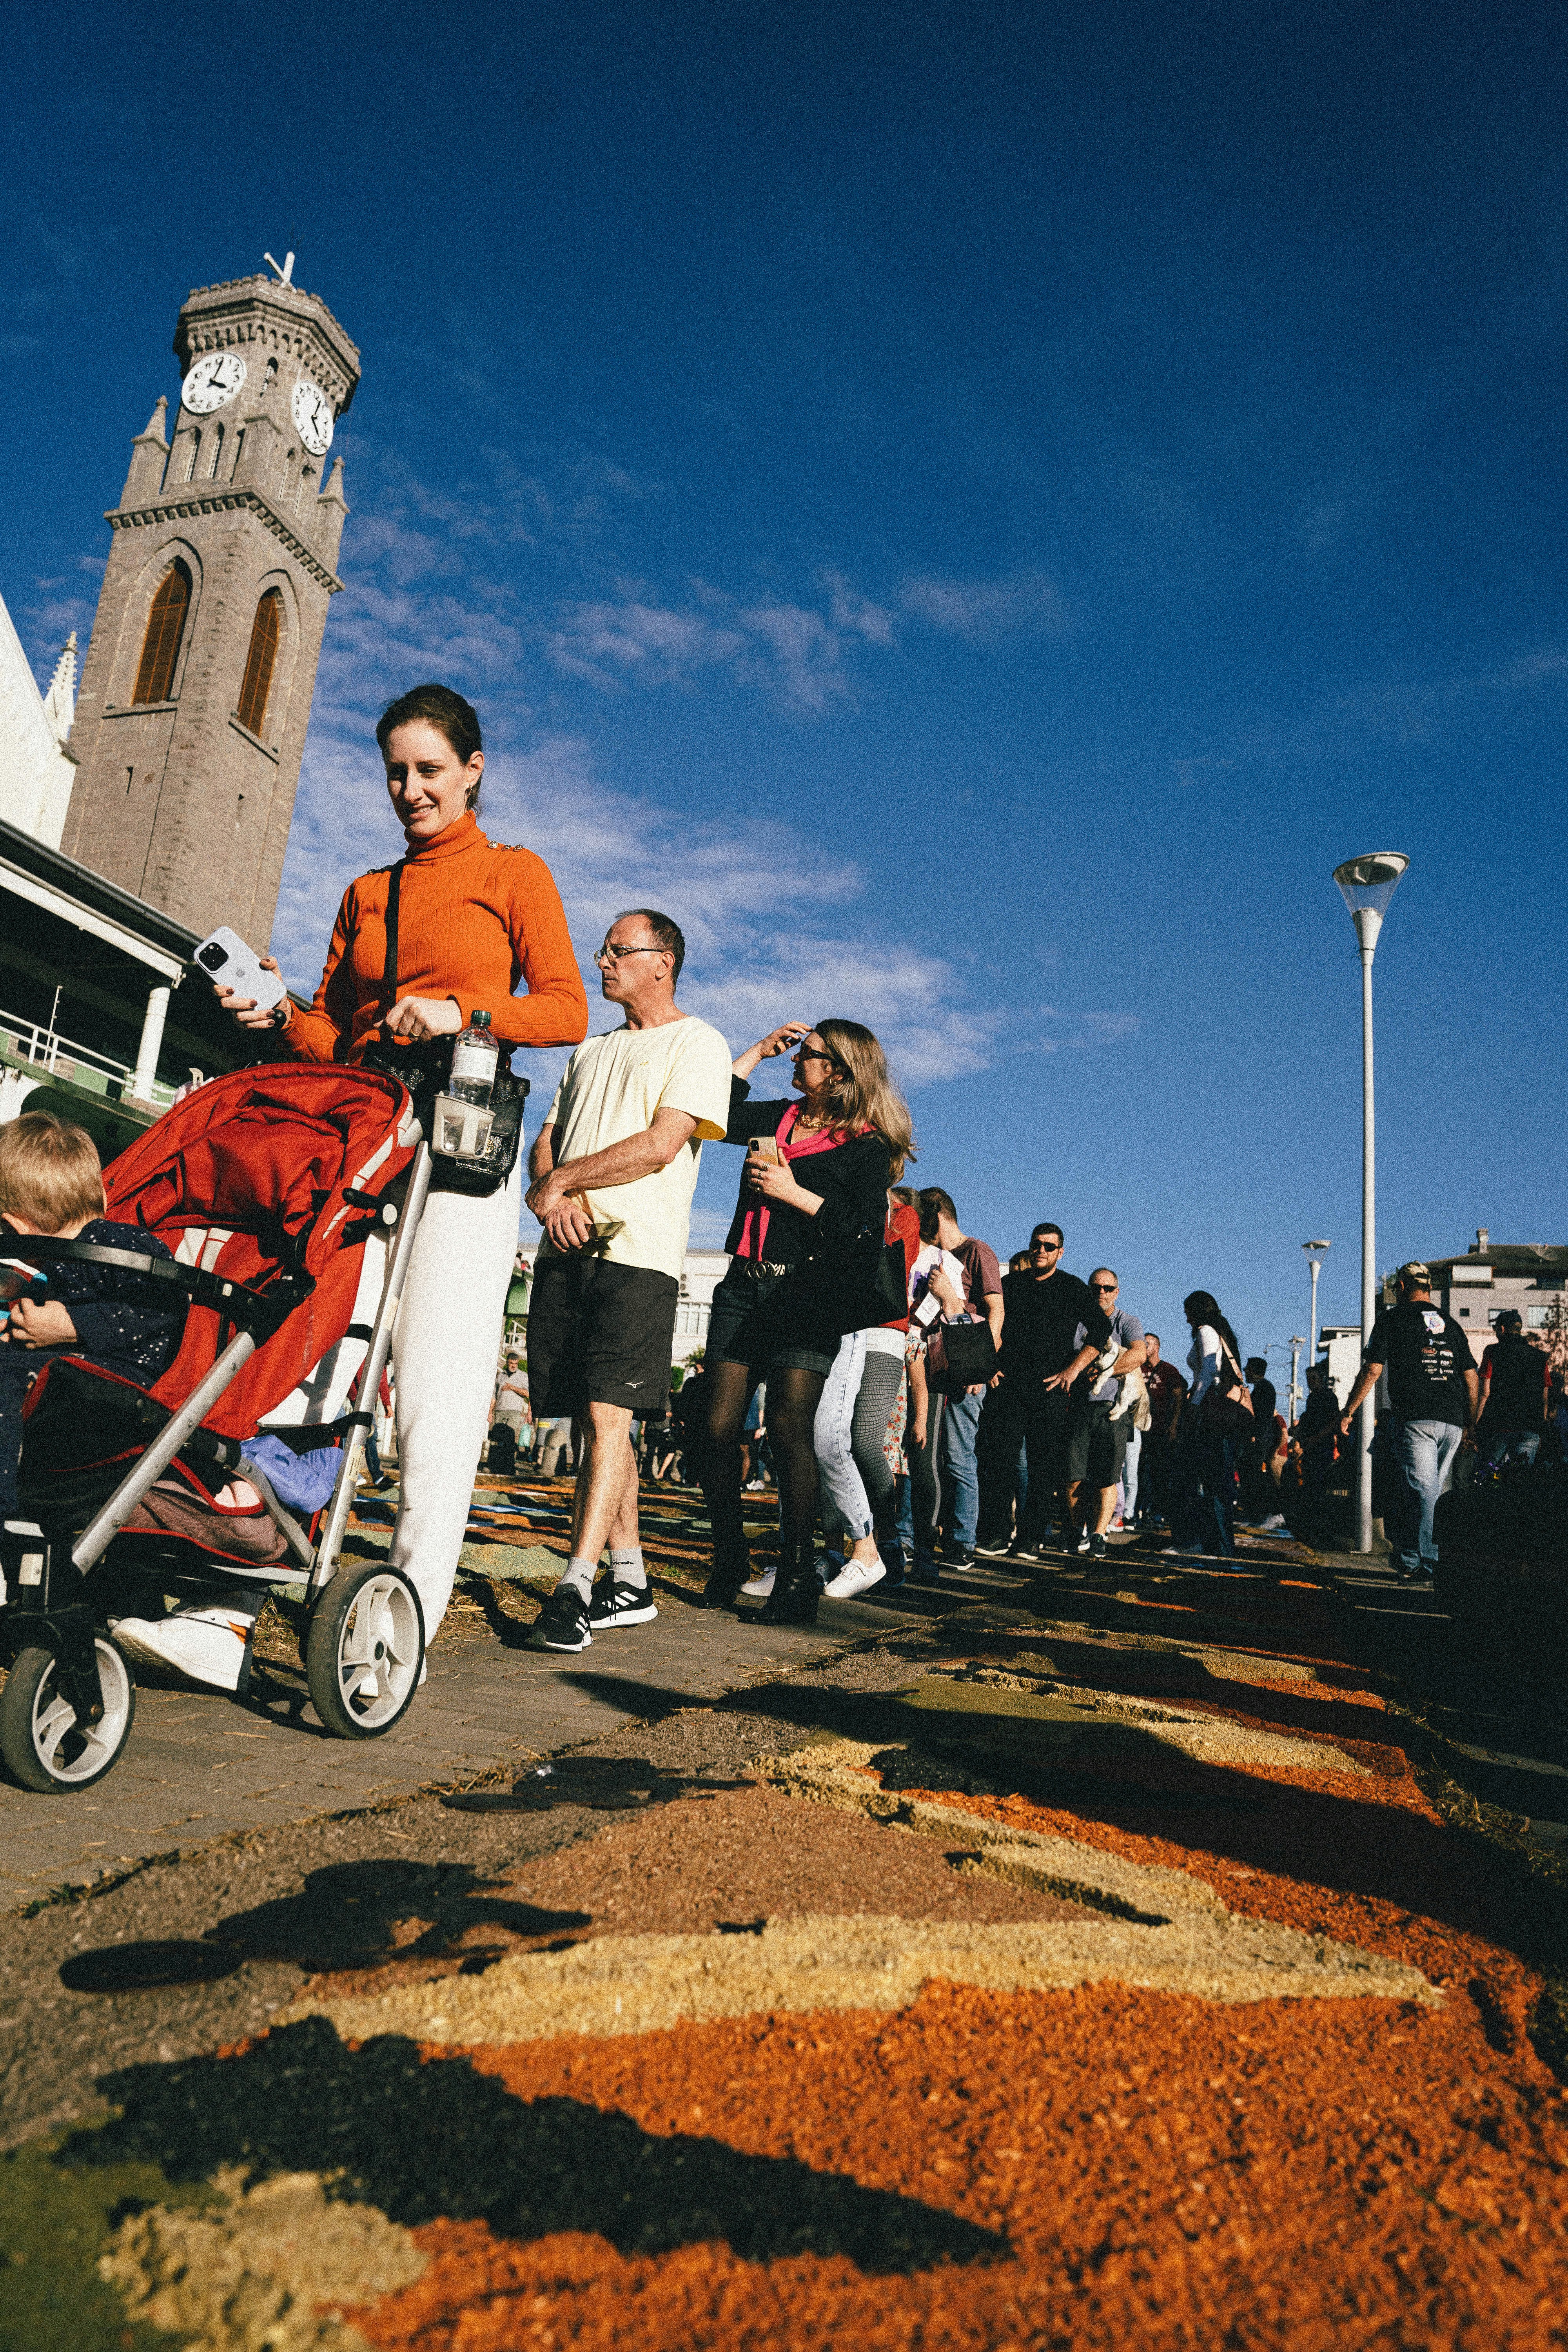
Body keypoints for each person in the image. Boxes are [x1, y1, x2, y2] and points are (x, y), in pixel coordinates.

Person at [218, 681, 588, 1641]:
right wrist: (274, 1009)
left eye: (429, 769)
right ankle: (261, 1553)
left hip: (464, 1142)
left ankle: (410, 1604)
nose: (410, 789)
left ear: (473, 769)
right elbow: (332, 1035)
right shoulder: (365, 892)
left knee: (441, 1373)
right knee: (318, 1336)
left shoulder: (514, 873)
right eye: (395, 771)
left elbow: (563, 1008)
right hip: (368, 1134)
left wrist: (462, 1012)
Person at [523, 909, 735, 1653]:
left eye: (620, 950)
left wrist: (563, 1187)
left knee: (610, 1419)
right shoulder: (588, 1051)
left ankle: (574, 1589)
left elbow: (660, 1144)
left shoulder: (699, 1042)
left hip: (636, 1254)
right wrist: (549, 1193)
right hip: (565, 1254)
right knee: (590, 1421)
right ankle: (632, 1578)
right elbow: (545, 1140)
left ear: (663, 962)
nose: (603, 960)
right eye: (603, 949)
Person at [702, 1019, 912, 1622]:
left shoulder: (867, 1147)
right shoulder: (781, 1119)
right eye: (795, 1051)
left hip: (808, 1297)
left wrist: (795, 1193)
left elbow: (861, 1231)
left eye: (809, 1055)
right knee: (716, 1430)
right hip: (745, 1284)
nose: (797, 1060)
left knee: (791, 1432)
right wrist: (756, 1051)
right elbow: (713, 1109)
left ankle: (798, 1577)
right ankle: (729, 1557)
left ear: (840, 1072)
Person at [0, 1114, 187, 1513]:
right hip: (87, 1373)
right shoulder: (57, 1263)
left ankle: (6, 1501)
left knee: (6, 1375)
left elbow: (163, 1307)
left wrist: (72, 1325)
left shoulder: (116, 1242)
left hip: (130, 1381)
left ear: (11, 1230)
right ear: (102, 1197)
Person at [811, 1187, 922, 1602]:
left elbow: (892, 1256)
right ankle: (832, 1552)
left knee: (865, 1441)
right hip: (838, 1326)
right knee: (826, 1436)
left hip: (883, 1331)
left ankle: (887, 1545)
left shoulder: (902, 1214)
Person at [1339, 1263, 1478, 1587]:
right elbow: (1471, 1377)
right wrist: (1471, 1423)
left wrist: (1349, 1410)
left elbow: (1372, 1370)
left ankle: (1424, 1563)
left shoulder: (1392, 1319)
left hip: (1418, 1418)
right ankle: (1422, 1558)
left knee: (1423, 1493)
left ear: (1401, 1287)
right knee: (1433, 1493)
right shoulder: (1452, 1325)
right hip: (1453, 1423)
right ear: (1428, 1288)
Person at [988, 1224, 1111, 1563]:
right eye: (1037, 1245)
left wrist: (1073, 1370)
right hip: (1008, 1385)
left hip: (1050, 1391)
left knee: (1042, 1468)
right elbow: (986, 1319)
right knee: (1000, 1460)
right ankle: (998, 1533)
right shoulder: (1010, 1284)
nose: (1041, 1250)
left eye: (1049, 1246)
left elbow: (1102, 1329)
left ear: (1060, 1252)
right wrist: (988, 1363)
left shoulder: (1072, 1288)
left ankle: (1030, 1540)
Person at [915, 1188, 1004, 1570]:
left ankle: (961, 1542)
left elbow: (995, 1311)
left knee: (958, 1455)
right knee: (934, 1455)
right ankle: (935, 1532)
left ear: (936, 1216)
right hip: (935, 1362)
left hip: (964, 1368)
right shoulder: (935, 1256)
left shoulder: (976, 1251)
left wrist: (979, 1365)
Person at [1064, 1269, 1145, 1561]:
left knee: (1106, 1478)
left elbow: (1139, 1354)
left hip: (1112, 1408)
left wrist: (1104, 1370)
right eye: (1096, 1287)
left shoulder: (1126, 1321)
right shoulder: (1076, 1321)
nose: (1102, 1292)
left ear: (1117, 1291)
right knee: (1074, 1475)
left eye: (1108, 1288)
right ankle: (1077, 1531)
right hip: (1077, 1405)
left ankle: (1099, 1534)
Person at [1169, 1290, 1250, 1559]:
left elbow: (1209, 1370)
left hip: (1210, 1416)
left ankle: (1201, 1541)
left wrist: (1194, 1404)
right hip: (1223, 1417)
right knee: (1218, 1481)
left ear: (1196, 1311)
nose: (1185, 1316)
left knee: (1195, 1478)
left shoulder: (1205, 1330)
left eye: (1187, 1310)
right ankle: (1219, 1544)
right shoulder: (1221, 1332)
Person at [1476, 1309, 1550, 1471]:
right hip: (1531, 1427)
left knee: (1489, 1475)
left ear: (1502, 1329)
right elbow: (1545, 1397)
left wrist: (1476, 1424)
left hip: (1498, 1426)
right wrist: (1542, 1427)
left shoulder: (1492, 1352)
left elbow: (1484, 1392)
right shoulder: (1539, 1356)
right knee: (1520, 1477)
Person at [1138, 1333, 1187, 1532]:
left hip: (1160, 1428)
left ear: (1156, 1347)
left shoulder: (1169, 1370)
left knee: (1159, 1472)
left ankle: (1159, 1511)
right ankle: (1140, 1510)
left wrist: (1174, 1426)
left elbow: (1179, 1399)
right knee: (1139, 1471)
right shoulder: (1138, 1368)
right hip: (1139, 1427)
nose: (1143, 1346)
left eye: (1147, 1344)